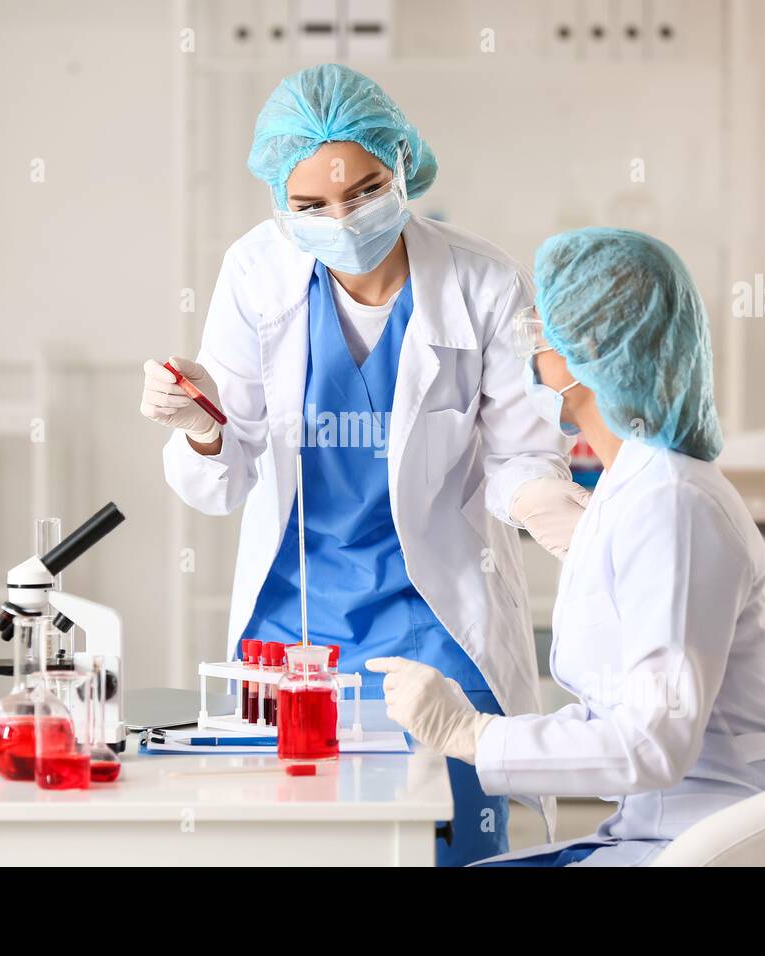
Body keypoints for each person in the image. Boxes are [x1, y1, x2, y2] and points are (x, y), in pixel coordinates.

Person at [139, 64, 590, 865]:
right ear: (281, 202)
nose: (341, 219)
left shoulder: (481, 281)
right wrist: (201, 426)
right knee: (300, 850)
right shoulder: (254, 273)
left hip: (445, 628)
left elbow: (522, 456)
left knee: (456, 849)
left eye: (365, 189)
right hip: (295, 632)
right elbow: (224, 476)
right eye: (310, 206)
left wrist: (582, 535)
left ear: (403, 162)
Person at [369, 228, 765, 866]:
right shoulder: (635, 483)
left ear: (590, 349)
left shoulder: (672, 503)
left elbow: (652, 743)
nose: (530, 346)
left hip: (716, 838)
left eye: (543, 328)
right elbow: (617, 719)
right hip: (663, 825)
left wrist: (472, 733)